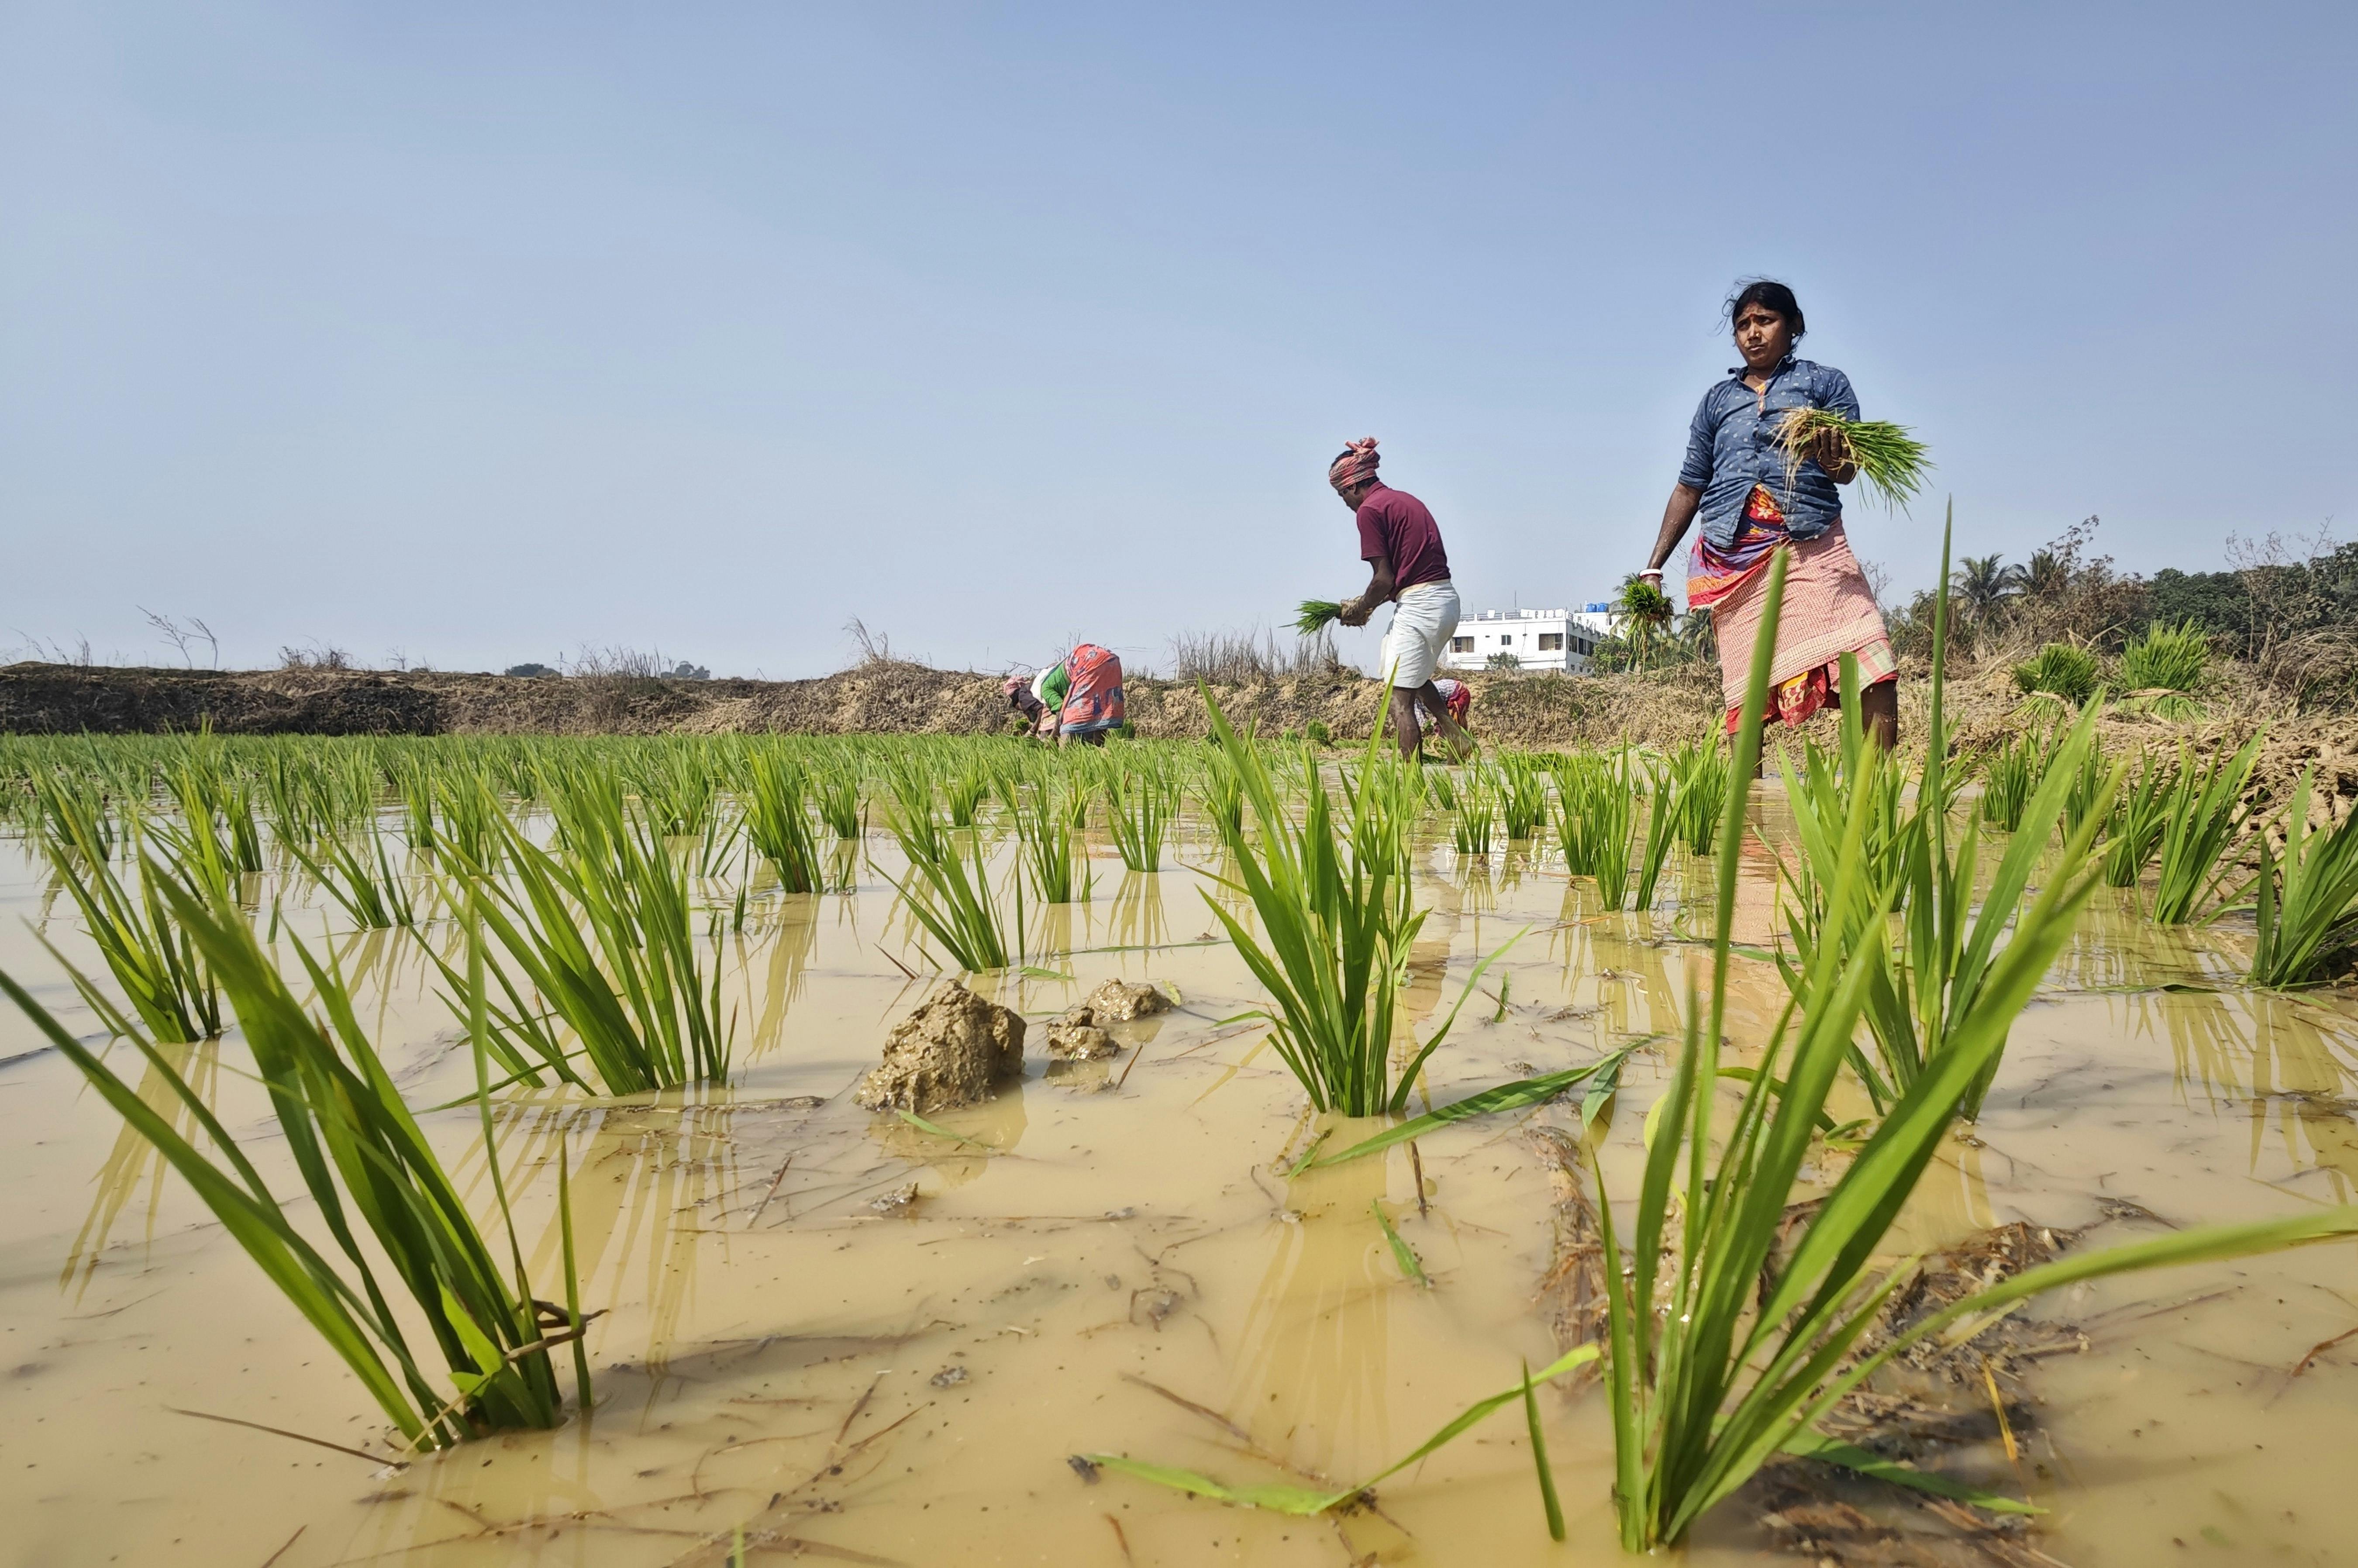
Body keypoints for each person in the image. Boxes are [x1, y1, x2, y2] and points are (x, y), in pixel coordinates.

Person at [1639, 280, 1898, 746]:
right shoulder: (1717, 401)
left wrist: (1831, 454)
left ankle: (1877, 798)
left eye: (1765, 321)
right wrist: (1652, 566)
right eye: (1743, 325)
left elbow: (1847, 472)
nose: (1752, 334)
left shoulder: (1824, 384)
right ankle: (1751, 807)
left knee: (1869, 657)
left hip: (1811, 540)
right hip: (1733, 558)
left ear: (1794, 325)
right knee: (1747, 694)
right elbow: (1689, 484)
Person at [1328, 438, 1475, 762]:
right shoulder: (1405, 500)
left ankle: (1409, 791)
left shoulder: (1369, 510)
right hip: (1444, 600)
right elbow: (1406, 573)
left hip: (1421, 605)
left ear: (1354, 484)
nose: (1346, 503)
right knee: (1414, 674)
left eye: (1343, 494)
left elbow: (1385, 579)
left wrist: (1360, 609)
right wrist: (1369, 604)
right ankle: (1454, 734)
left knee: (1399, 702)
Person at [1032, 643, 1124, 746]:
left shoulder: (1045, 689)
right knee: (1100, 709)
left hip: (1089, 662)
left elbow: (1060, 711)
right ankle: (1099, 748)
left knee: (1070, 719)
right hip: (1112, 660)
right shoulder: (1055, 677)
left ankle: (1064, 755)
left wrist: (1052, 739)